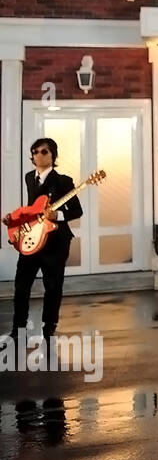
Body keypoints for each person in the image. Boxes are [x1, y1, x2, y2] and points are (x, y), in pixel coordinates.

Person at [3, 138, 83, 342]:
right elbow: (32, 208)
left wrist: (59, 216)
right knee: (21, 285)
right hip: (31, 240)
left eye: (44, 151)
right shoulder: (30, 177)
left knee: (53, 286)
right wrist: (15, 221)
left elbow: (77, 210)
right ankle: (18, 330)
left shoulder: (64, 181)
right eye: (35, 151)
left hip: (55, 243)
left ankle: (48, 329)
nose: (39, 155)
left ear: (53, 155)